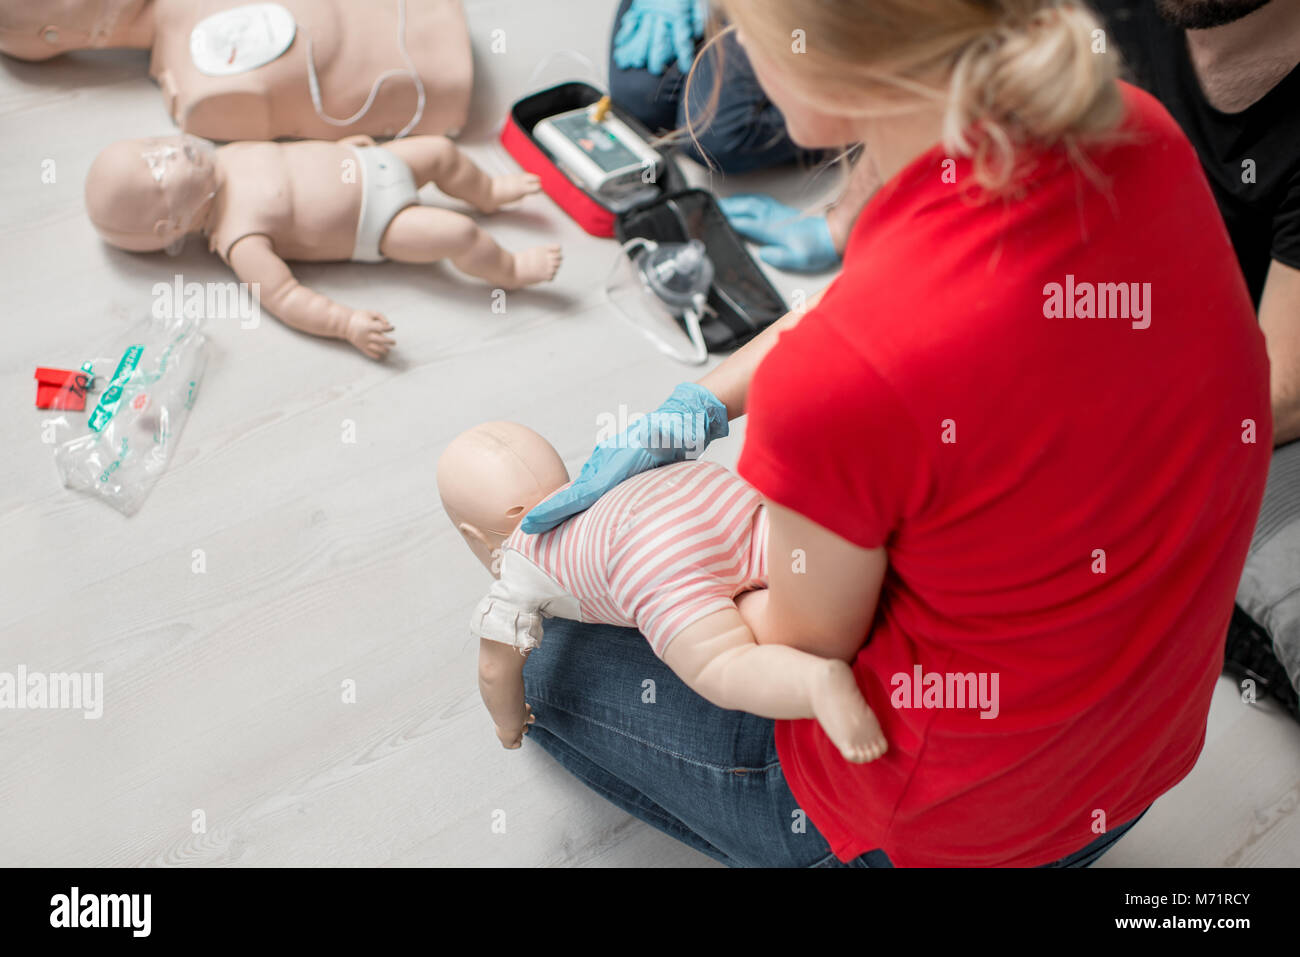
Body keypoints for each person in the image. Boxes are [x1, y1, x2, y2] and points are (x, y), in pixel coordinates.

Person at [512, 0, 1273, 867]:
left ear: (822, 60)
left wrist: (649, 560)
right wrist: (702, 406)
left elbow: (798, 656)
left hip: (952, 830)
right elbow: (880, 312)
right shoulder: (1140, 134)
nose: (728, 49)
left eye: (736, 25)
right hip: (1141, 761)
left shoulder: (842, 383)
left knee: (541, 659)